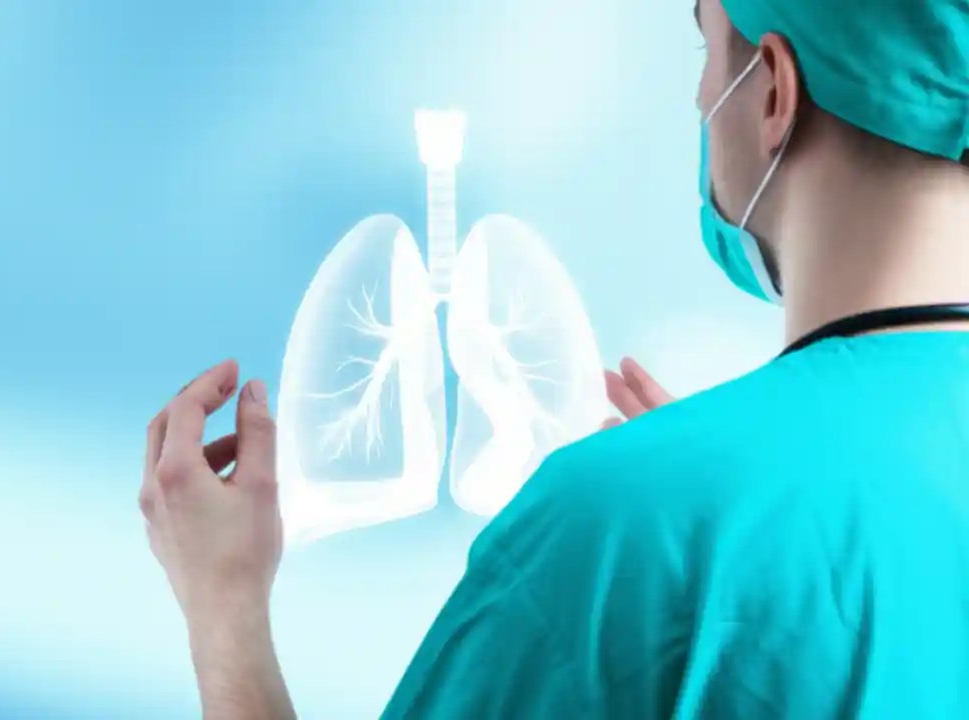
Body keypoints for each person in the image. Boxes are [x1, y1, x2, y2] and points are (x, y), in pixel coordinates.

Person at [139, 0, 969, 715]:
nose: (701, 95)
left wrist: (225, 609)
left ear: (776, 93)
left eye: (709, 51)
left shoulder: (621, 525)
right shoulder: (660, 513)